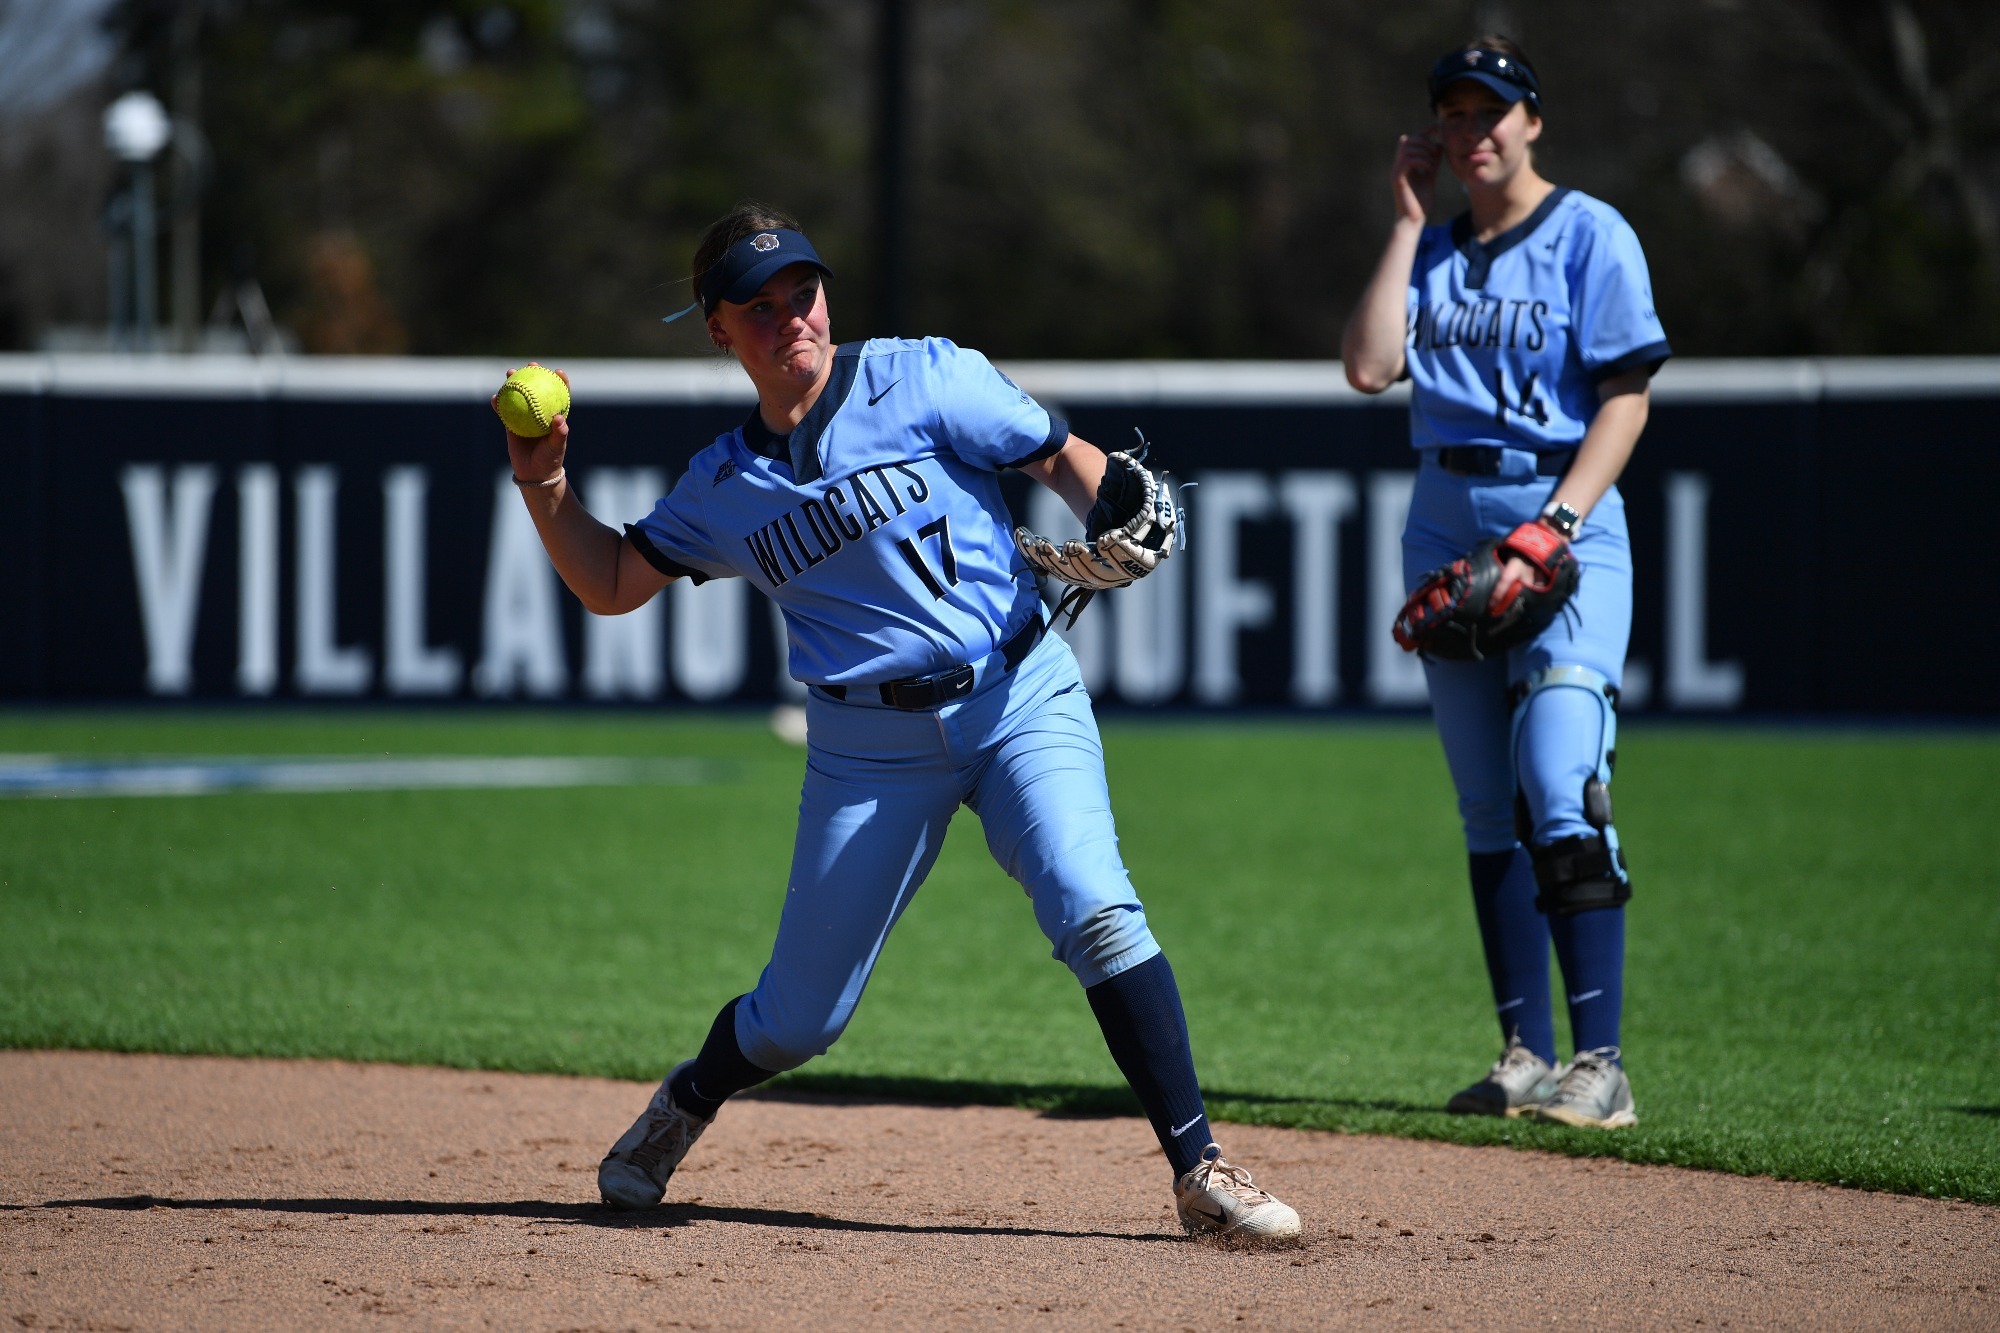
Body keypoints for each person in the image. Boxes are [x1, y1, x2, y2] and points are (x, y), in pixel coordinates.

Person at [497, 205, 1300, 1239]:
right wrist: (543, 478)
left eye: (803, 292)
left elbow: (1054, 451)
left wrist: (1106, 494)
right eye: (761, 306)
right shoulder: (723, 485)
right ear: (717, 329)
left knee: (1094, 906)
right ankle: (687, 1099)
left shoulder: (923, 375)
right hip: (865, 750)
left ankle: (1201, 1168)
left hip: (1017, 697)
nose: (792, 318)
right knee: (798, 1020)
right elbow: (610, 582)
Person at [1341, 37, 1670, 1128]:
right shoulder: (1430, 250)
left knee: (1558, 779)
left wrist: (1554, 526)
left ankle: (1603, 1061)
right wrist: (1401, 221)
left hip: (1561, 518)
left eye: (1492, 112)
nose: (1472, 131)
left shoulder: (1588, 235)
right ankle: (1523, 1052)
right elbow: (1367, 368)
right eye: (1453, 112)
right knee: (1486, 804)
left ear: (1533, 122)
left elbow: (1624, 395)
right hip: (1442, 515)